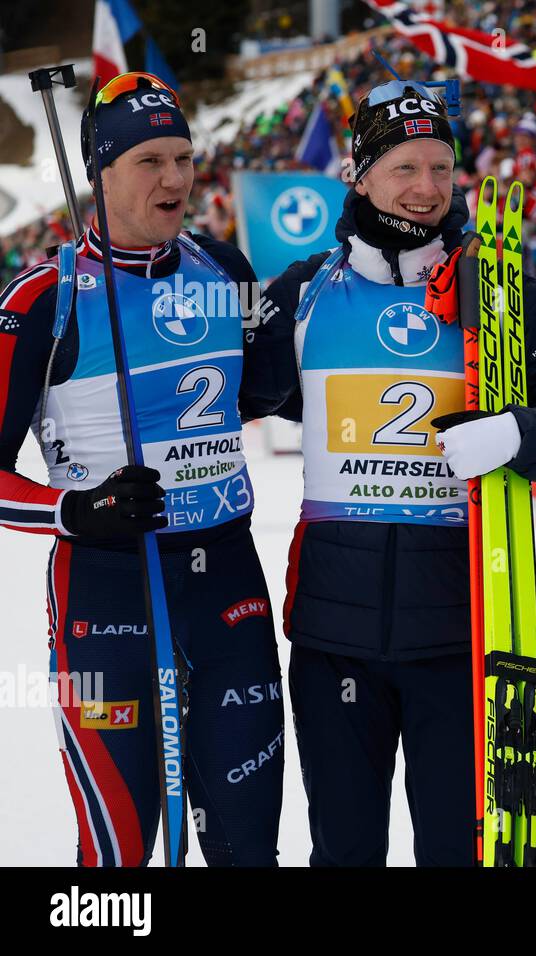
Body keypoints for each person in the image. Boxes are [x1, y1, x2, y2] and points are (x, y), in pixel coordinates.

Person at [241, 82, 536, 866]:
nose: (427, 188)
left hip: (467, 630)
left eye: (442, 167)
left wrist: (514, 432)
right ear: (359, 175)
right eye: (405, 166)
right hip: (335, 637)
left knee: (462, 851)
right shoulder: (304, 293)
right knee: (343, 852)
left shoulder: (502, 293)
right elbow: (223, 389)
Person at [0, 72, 283, 866]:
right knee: (120, 852)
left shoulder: (226, 271)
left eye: (185, 158)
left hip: (228, 582)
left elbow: (265, 392)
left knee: (244, 844)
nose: (175, 179)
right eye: (149, 159)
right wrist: (76, 510)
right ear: (100, 171)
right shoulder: (44, 299)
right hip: (106, 588)